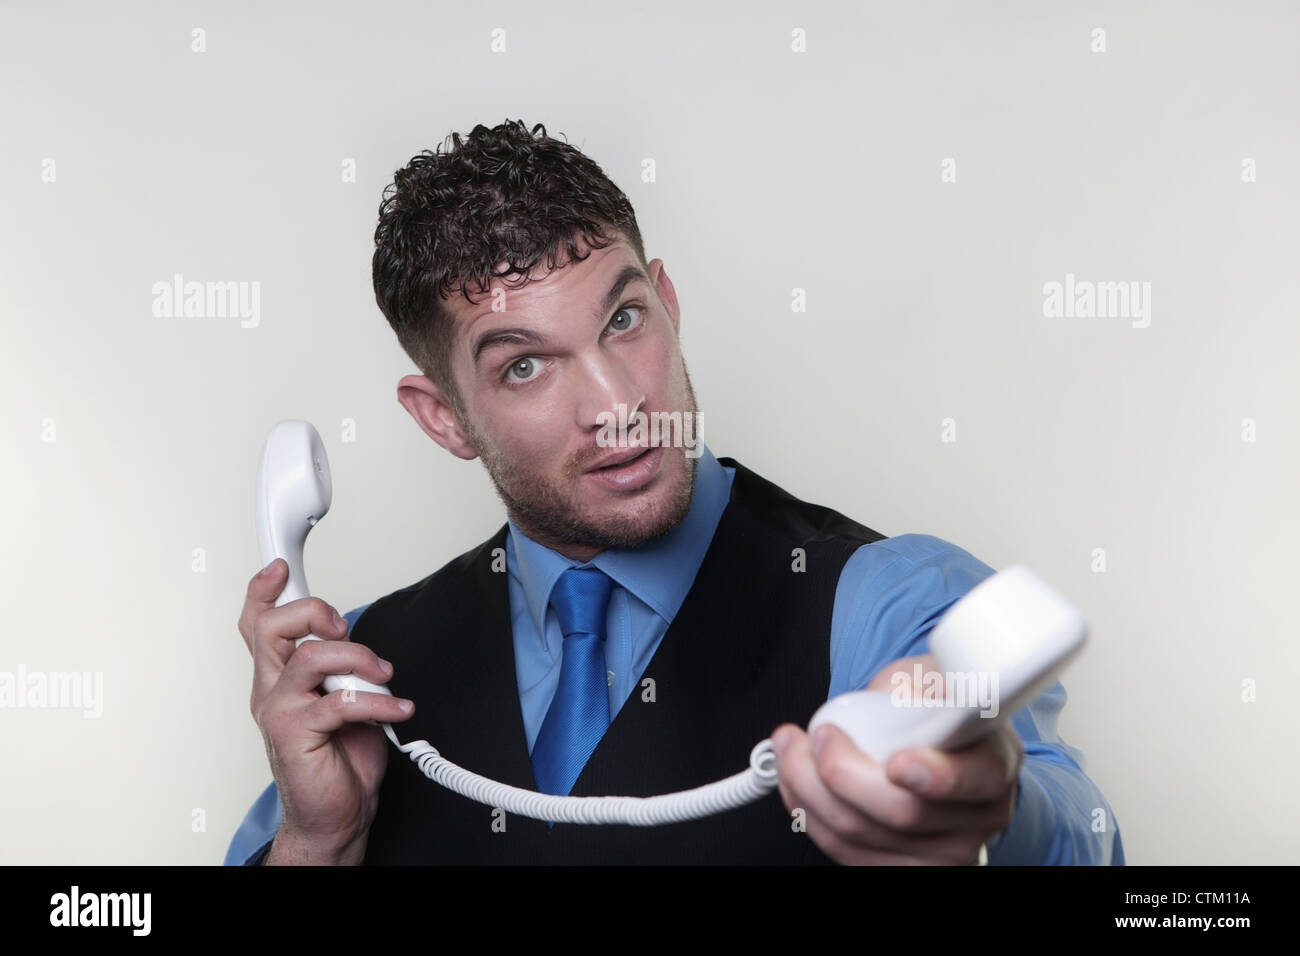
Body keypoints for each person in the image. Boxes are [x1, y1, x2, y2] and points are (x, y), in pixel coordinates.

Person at [227, 119, 1125, 866]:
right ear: (444, 419)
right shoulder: (372, 667)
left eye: (623, 320)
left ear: (667, 301)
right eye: (527, 366)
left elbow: (1085, 839)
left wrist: (997, 805)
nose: (620, 407)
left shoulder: (879, 597)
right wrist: (318, 841)